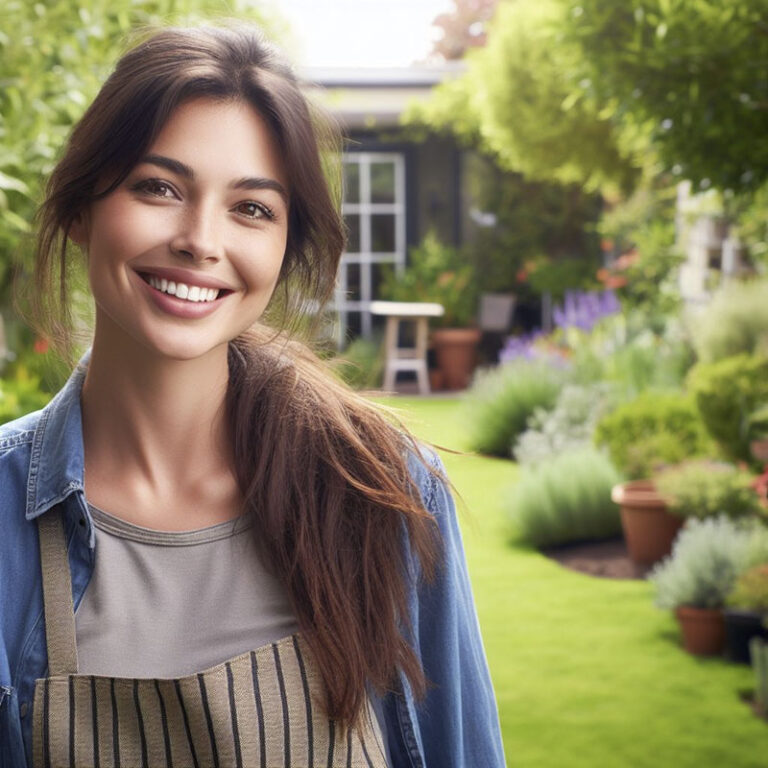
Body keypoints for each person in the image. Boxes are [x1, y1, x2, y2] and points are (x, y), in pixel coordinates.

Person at [0, 24, 506, 768]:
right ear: (81, 209)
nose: (201, 240)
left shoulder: (385, 494)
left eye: (252, 209)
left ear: (283, 250)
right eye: (159, 187)